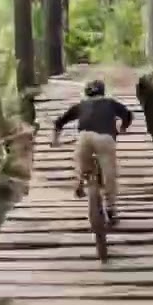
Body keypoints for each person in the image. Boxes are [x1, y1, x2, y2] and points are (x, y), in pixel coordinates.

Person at [51, 79, 134, 225]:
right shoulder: (110, 103)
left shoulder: (81, 105)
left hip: (85, 137)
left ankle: (80, 179)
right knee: (110, 173)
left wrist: (55, 140)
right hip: (105, 138)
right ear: (103, 92)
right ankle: (111, 208)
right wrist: (123, 128)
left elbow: (59, 122)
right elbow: (127, 115)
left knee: (80, 158)